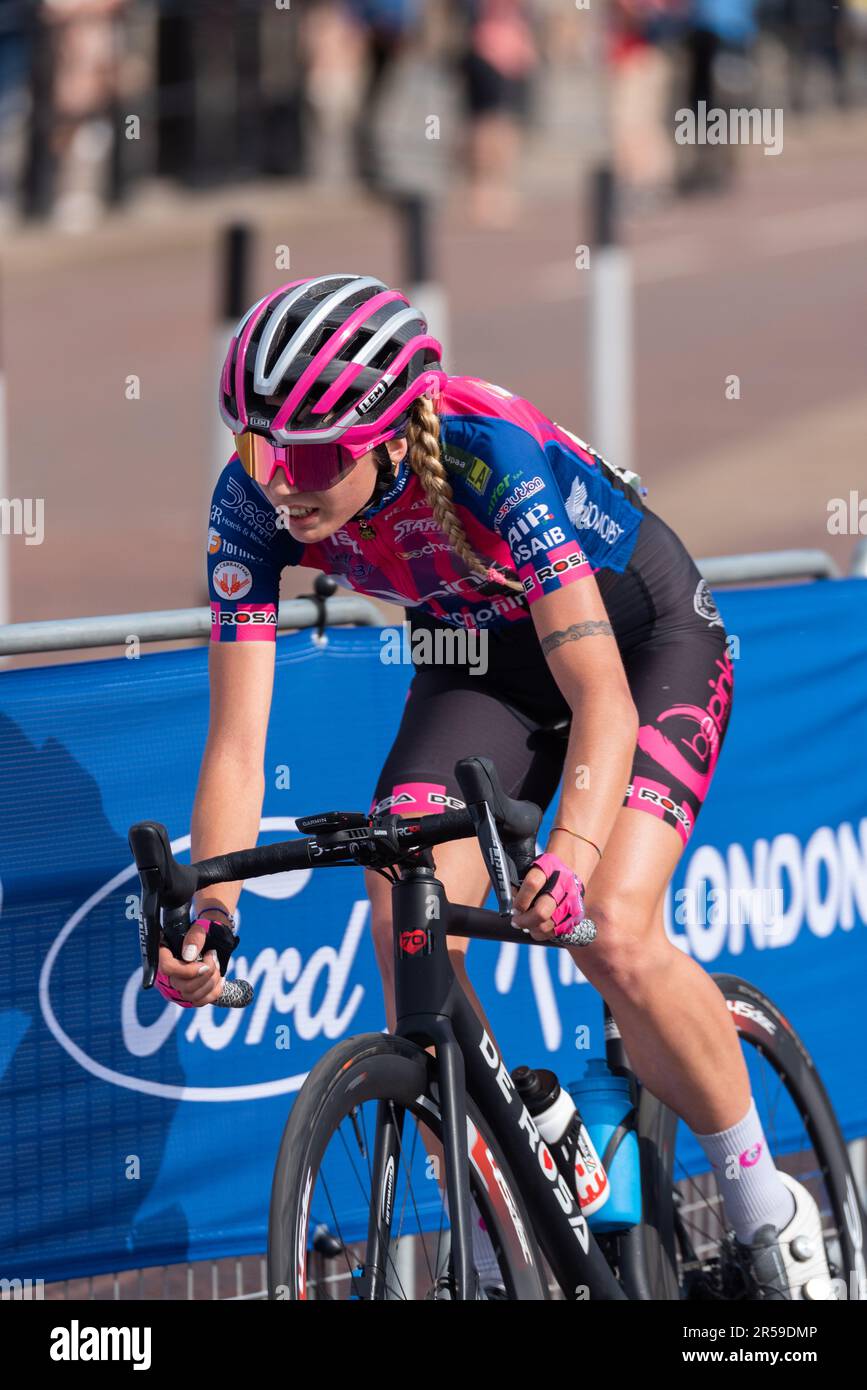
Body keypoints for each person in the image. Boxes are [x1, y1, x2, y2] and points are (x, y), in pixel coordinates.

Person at [161, 273, 834, 1300]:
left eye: (305, 455)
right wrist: (212, 906)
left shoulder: (488, 453)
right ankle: (499, 1207)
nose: (277, 481)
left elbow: (601, 697)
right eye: (254, 446)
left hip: (642, 649)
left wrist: (568, 858)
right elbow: (237, 747)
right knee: (405, 903)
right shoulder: (253, 507)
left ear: (390, 437)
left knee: (609, 923)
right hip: (482, 662)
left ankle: (768, 1217)